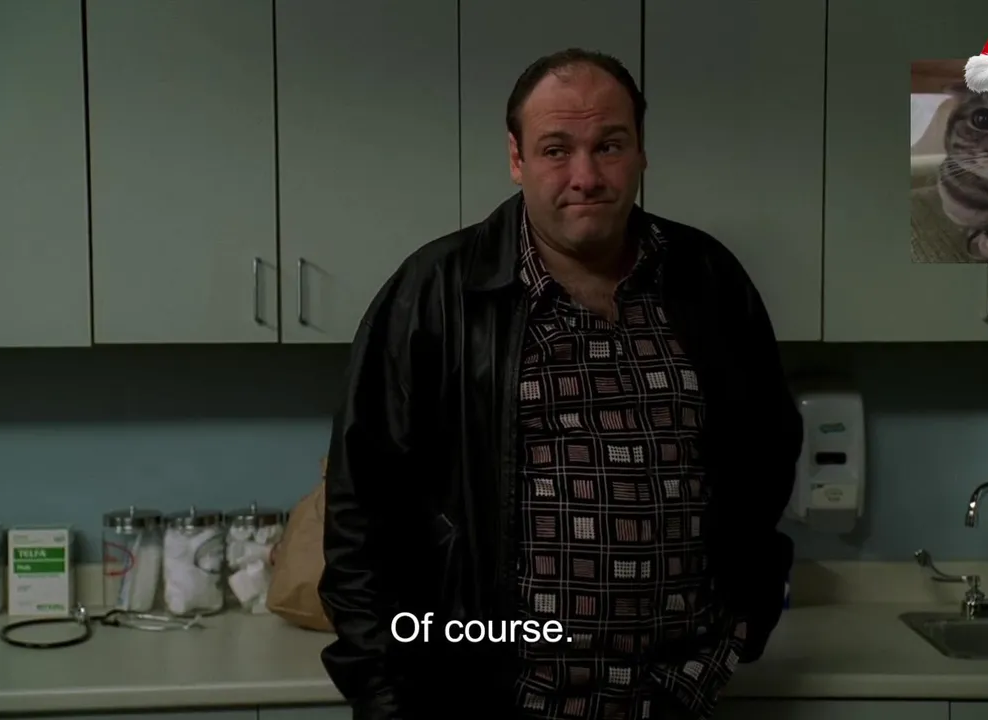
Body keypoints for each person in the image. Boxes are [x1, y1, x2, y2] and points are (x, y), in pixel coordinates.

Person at [319, 48, 802, 720]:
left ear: (641, 152)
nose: (586, 176)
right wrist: (383, 698)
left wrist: (743, 622)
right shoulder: (435, 295)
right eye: (556, 150)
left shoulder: (707, 278)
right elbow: (360, 514)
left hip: (678, 697)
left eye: (609, 145)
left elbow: (767, 456)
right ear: (516, 158)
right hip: (496, 702)